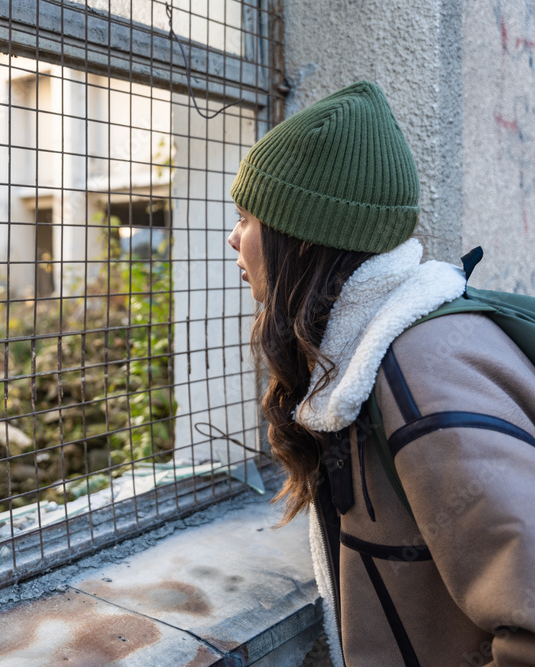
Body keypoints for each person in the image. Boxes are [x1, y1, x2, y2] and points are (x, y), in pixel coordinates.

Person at [226, 80, 535, 666]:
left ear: (303, 239)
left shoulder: (421, 377)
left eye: (246, 217)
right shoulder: (373, 355)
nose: (234, 238)